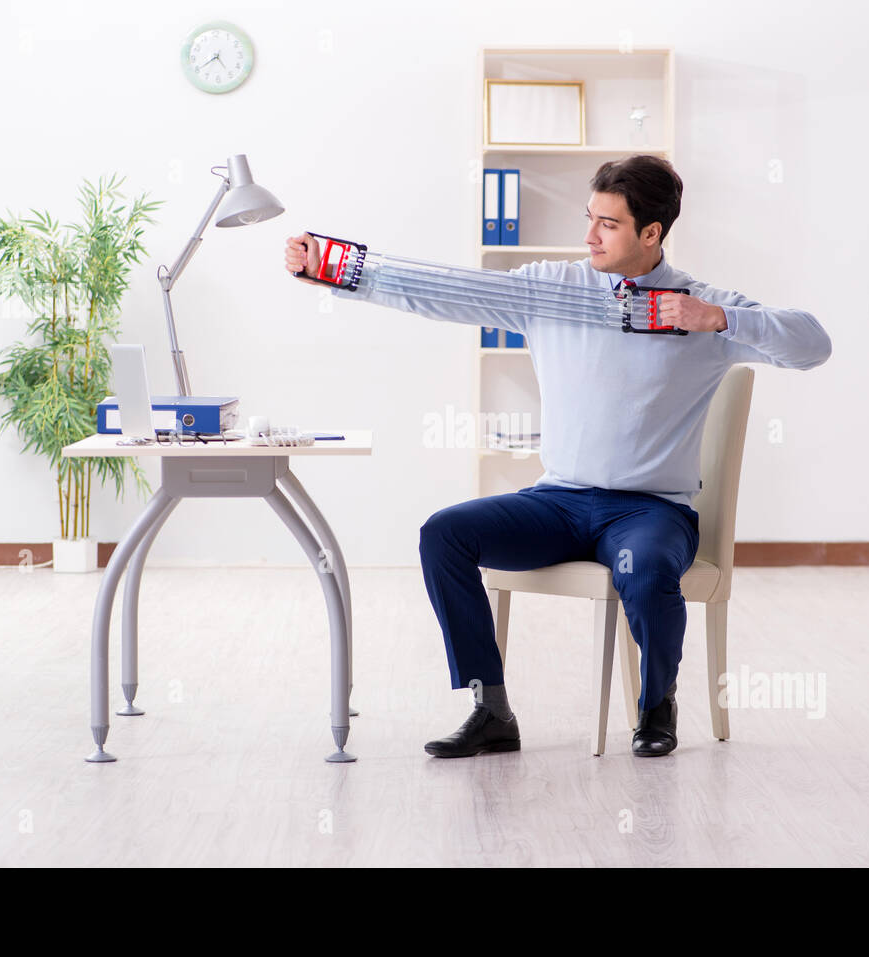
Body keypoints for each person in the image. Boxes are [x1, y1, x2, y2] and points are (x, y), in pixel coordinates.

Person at [284, 154, 831, 758]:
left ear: (652, 233)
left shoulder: (702, 307)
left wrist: (721, 319)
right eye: (589, 218)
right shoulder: (553, 290)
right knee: (444, 535)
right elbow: (447, 291)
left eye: (609, 224)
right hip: (558, 503)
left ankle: (656, 708)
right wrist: (338, 270)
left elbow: (814, 344)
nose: (590, 235)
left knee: (647, 569)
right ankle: (491, 711)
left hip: (649, 511)